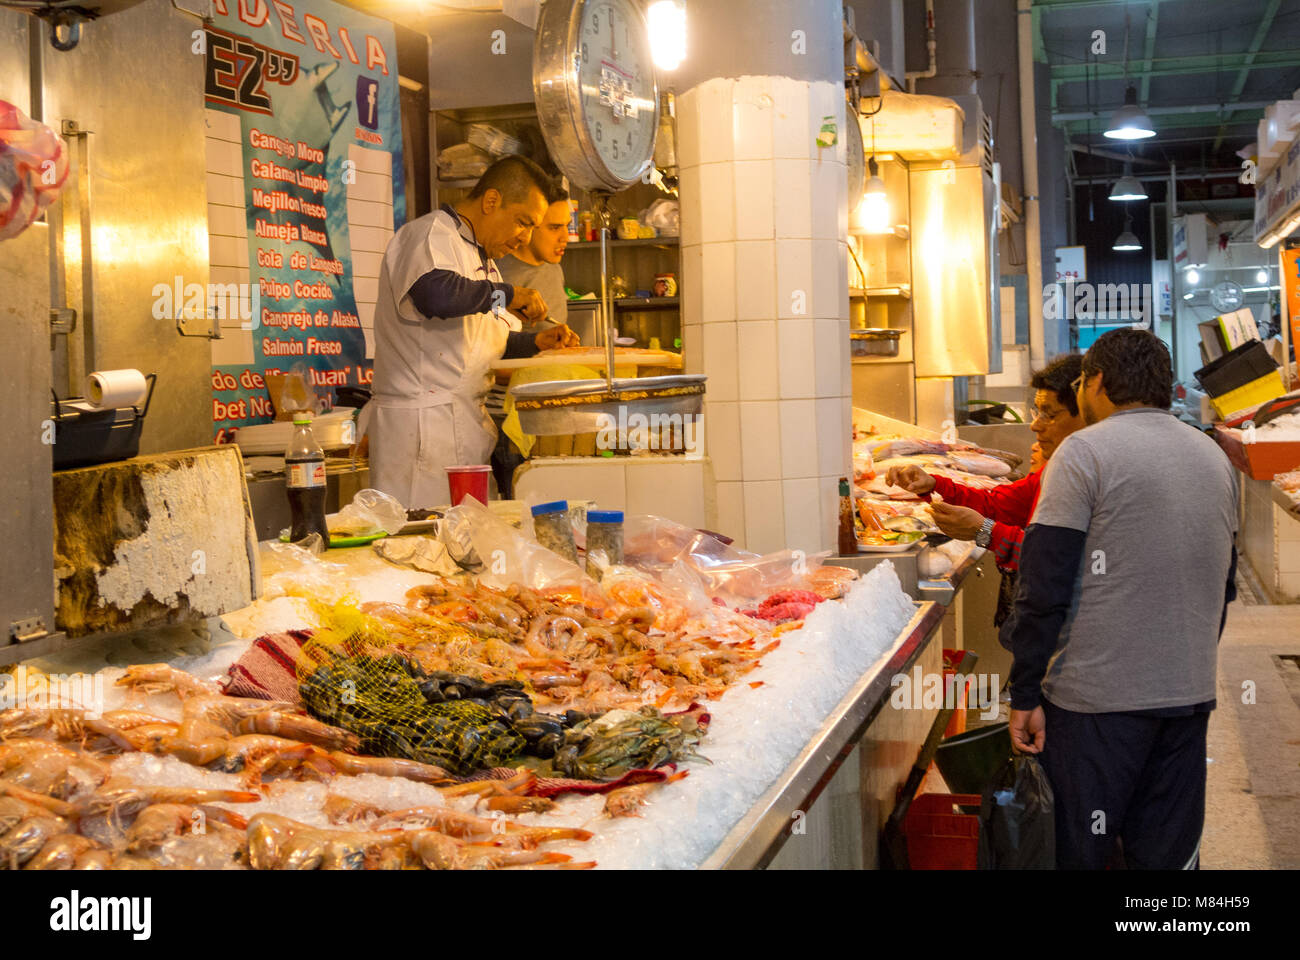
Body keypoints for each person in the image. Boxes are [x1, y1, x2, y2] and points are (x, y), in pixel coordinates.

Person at [1004, 328, 1238, 870]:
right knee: (1169, 859)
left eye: (1082, 381)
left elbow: (1044, 582)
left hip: (1094, 706)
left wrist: (1024, 692)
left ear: (1099, 382)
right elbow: (1221, 584)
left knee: (1083, 851)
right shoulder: (1213, 457)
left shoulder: (1084, 453)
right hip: (1187, 699)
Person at [367, 156, 580, 509]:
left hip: (464, 426)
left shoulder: (486, 263)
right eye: (522, 223)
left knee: (465, 545)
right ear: (492, 201)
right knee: (420, 546)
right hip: (421, 433)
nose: (524, 237)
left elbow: (481, 342)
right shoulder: (431, 233)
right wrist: (509, 294)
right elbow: (435, 294)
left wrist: (535, 342)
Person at [884, 355, 1087, 627]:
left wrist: (983, 531)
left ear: (1087, 414)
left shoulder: (1090, 475)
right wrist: (934, 485)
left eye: (1049, 415)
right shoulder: (1053, 469)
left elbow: (1059, 558)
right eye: (1036, 413)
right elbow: (999, 504)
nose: (1036, 425)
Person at [487, 177, 574, 496]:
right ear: (529, 226)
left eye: (567, 225)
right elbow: (485, 355)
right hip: (506, 423)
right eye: (554, 227)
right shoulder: (497, 278)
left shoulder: (553, 268)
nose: (565, 236)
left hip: (548, 418)